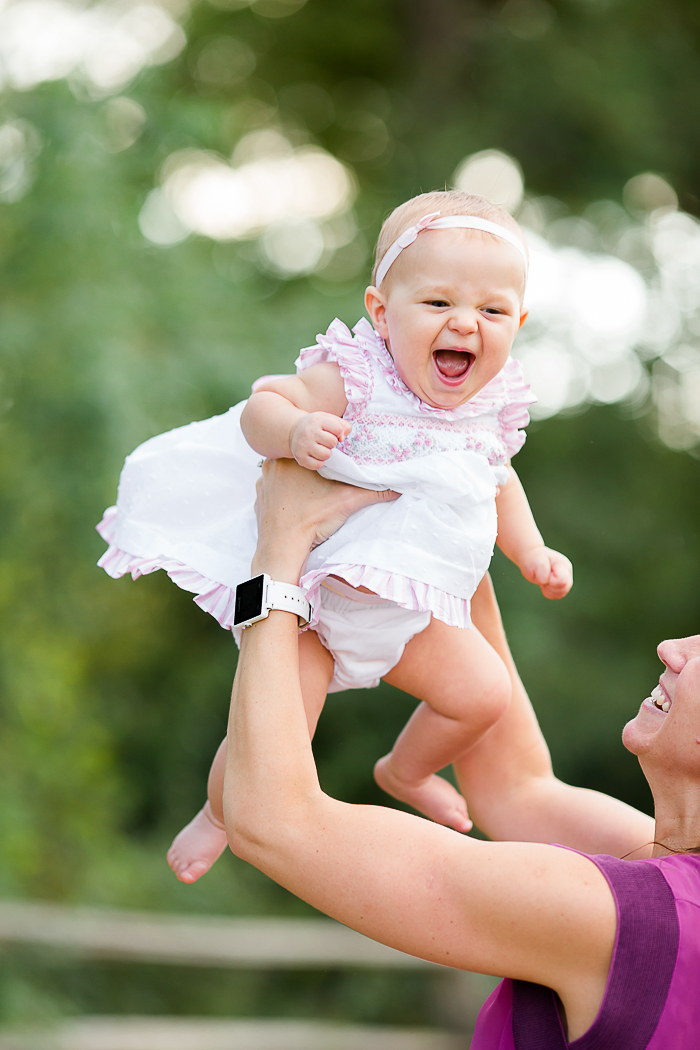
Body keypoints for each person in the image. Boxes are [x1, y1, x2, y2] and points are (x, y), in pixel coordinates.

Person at [97, 189, 572, 884]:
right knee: (276, 731)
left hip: (408, 617)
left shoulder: (488, 408)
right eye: (438, 302)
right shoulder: (358, 378)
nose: (466, 323)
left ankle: (406, 771)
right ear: (382, 312)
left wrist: (531, 552)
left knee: (485, 694)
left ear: (518, 323)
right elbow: (261, 407)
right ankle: (217, 814)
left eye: (493, 311)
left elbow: (498, 481)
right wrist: (293, 430)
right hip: (315, 610)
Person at [222, 458, 699, 1049]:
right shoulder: (668, 873)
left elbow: (275, 823)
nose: (672, 648)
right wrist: (450, 486)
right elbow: (514, 789)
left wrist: (278, 555)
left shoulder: (632, 917)